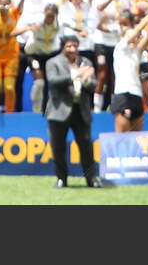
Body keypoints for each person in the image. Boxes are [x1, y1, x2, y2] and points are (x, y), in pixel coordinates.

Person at [43, 34, 103, 188]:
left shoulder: (86, 62)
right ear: (63, 47)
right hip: (59, 111)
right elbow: (53, 81)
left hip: (80, 109)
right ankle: (61, 179)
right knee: (58, 147)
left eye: (75, 46)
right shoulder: (53, 62)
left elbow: (93, 84)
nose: (72, 49)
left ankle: (91, 179)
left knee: (86, 147)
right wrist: (76, 74)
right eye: (69, 46)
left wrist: (86, 80)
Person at [111, 7, 148, 133]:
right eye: (129, 36)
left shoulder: (136, 53)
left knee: (136, 139)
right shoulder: (120, 49)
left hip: (137, 95)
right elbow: (136, 32)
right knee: (121, 137)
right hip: (122, 94)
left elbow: (147, 38)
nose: (133, 39)